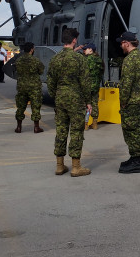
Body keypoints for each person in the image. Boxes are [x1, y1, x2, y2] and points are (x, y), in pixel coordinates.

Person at [49, 30, 92, 177]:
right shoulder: (79, 59)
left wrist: (56, 96)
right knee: (76, 132)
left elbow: (50, 82)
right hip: (76, 99)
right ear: (74, 40)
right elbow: (85, 82)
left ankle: (59, 166)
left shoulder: (55, 58)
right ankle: (76, 167)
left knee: (61, 131)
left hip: (60, 98)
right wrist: (88, 101)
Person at [118, 32, 140, 174]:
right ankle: (134, 158)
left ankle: (136, 161)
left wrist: (123, 101)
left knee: (130, 130)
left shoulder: (129, 60)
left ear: (127, 43)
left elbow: (126, 83)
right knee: (138, 129)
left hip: (132, 100)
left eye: (121, 43)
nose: (121, 46)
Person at [13, 42, 45, 134]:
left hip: (22, 86)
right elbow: (41, 71)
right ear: (31, 49)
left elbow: (16, 71)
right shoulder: (36, 60)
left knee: (20, 107)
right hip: (34, 87)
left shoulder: (19, 60)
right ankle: (36, 127)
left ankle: (18, 127)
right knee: (35, 106)